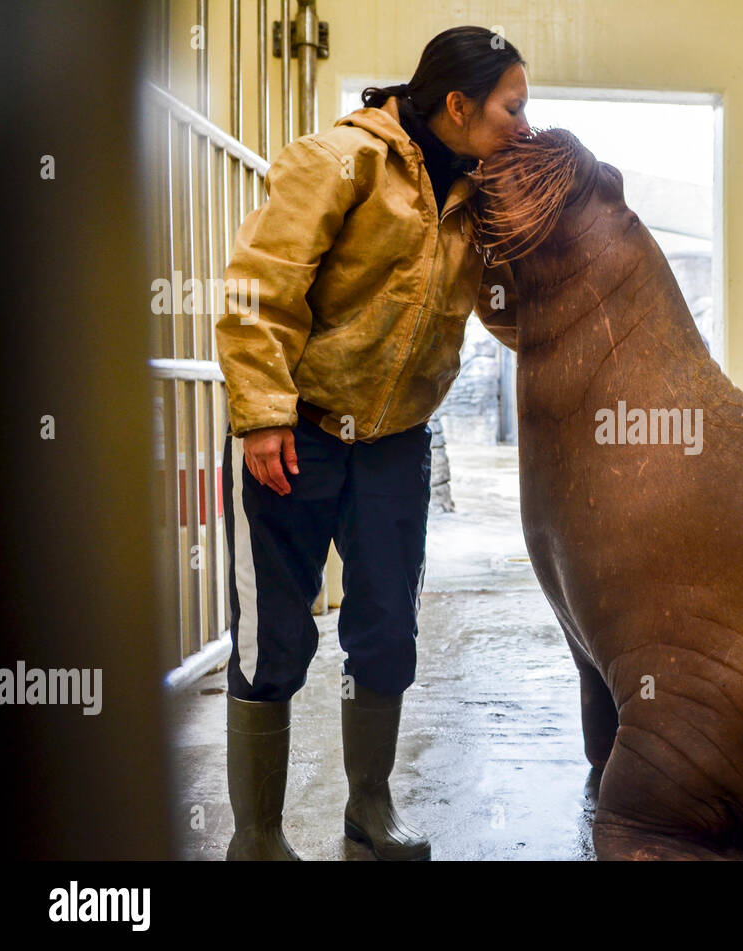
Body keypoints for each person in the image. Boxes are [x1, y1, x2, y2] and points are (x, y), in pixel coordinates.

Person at [215, 25, 529, 860]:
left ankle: (369, 812)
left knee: (387, 628)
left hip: (394, 443)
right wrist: (262, 414)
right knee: (274, 635)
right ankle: (256, 836)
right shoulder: (339, 161)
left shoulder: (476, 195)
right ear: (458, 105)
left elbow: (507, 305)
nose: (523, 125)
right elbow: (259, 286)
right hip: (297, 430)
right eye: (512, 108)